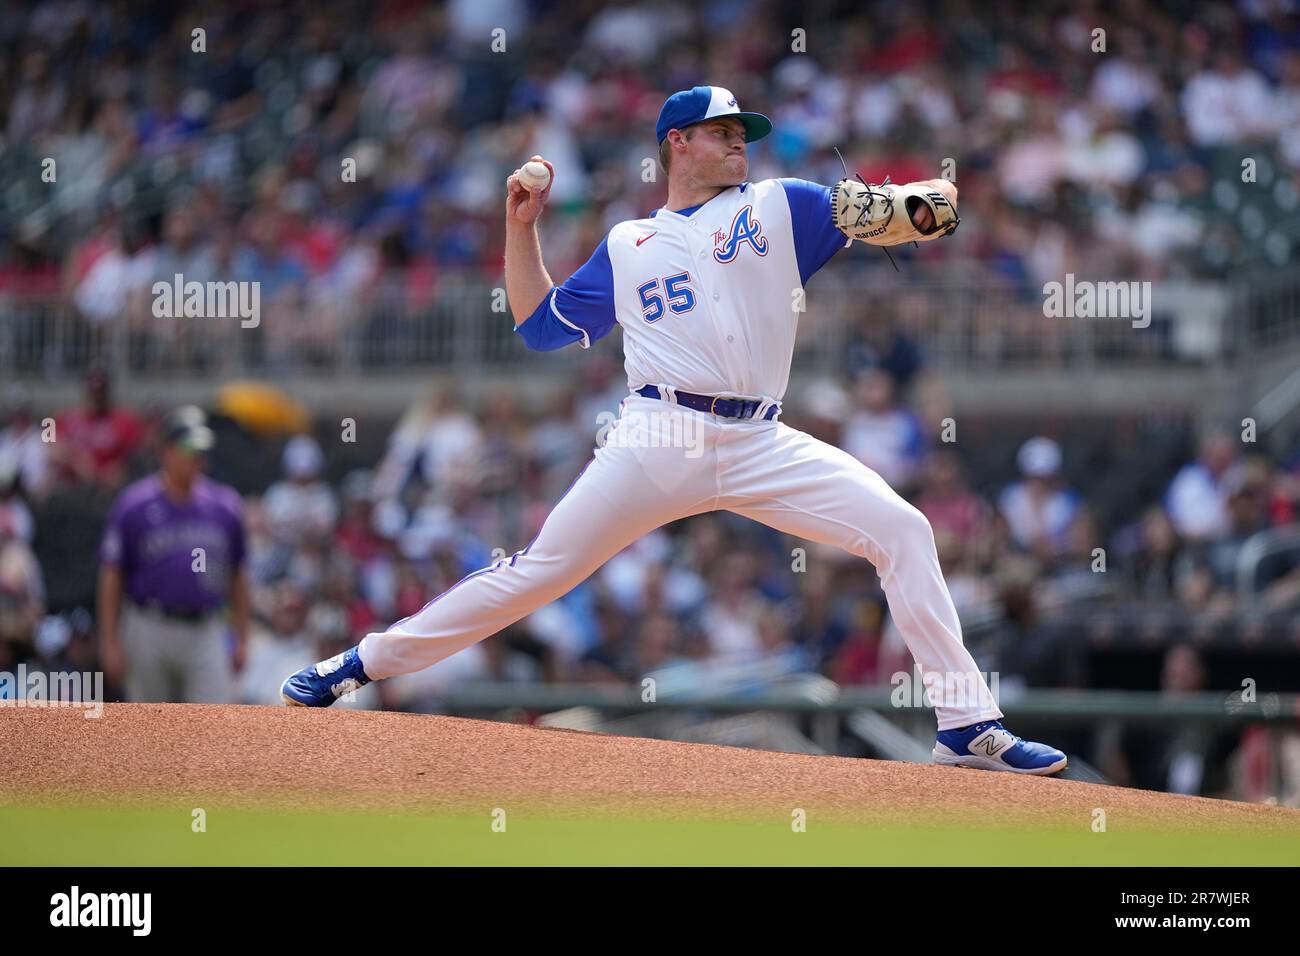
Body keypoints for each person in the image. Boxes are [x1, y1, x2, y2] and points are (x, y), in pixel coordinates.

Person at [282, 85, 1068, 775]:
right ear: (676, 143)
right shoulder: (630, 243)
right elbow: (539, 325)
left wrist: (926, 204)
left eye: (742, 132)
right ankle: (359, 663)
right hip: (659, 435)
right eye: (722, 130)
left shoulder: (779, 203)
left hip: (761, 439)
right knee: (538, 572)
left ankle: (967, 724)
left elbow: (916, 214)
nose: (738, 142)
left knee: (902, 527)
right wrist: (520, 230)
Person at [97, 406, 249, 702]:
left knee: (212, 728)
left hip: (206, 627)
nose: (198, 457)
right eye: (189, 448)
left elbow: (239, 575)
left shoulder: (226, 506)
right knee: (148, 732)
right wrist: (110, 641)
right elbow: (112, 574)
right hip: (149, 624)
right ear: (166, 450)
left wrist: (242, 638)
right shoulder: (134, 505)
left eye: (202, 449)